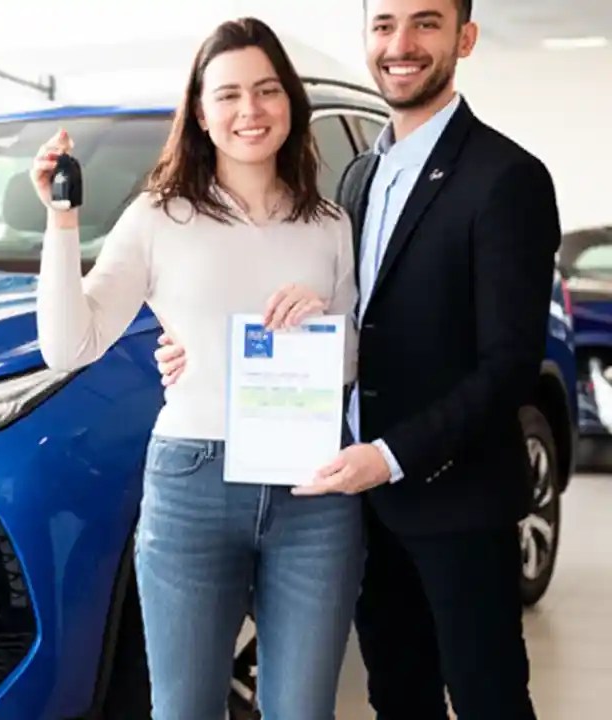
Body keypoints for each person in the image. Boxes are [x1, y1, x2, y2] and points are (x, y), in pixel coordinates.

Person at [155, 1, 561, 717]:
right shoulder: (356, 179)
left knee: (489, 698)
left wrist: (391, 457)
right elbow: (350, 327)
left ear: (465, 38)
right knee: (397, 698)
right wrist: (203, 347)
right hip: (360, 507)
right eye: (383, 25)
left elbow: (508, 365)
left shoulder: (507, 178)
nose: (401, 44)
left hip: (454, 498)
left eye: (426, 23)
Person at [33, 17, 364, 719]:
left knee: (303, 710)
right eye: (229, 95)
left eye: (267, 90)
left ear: (291, 102)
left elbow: (346, 368)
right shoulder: (159, 218)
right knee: (184, 709)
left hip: (313, 491)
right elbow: (69, 345)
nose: (251, 110)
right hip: (193, 484)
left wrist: (321, 326)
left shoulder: (329, 223)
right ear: (202, 114)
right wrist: (61, 223)